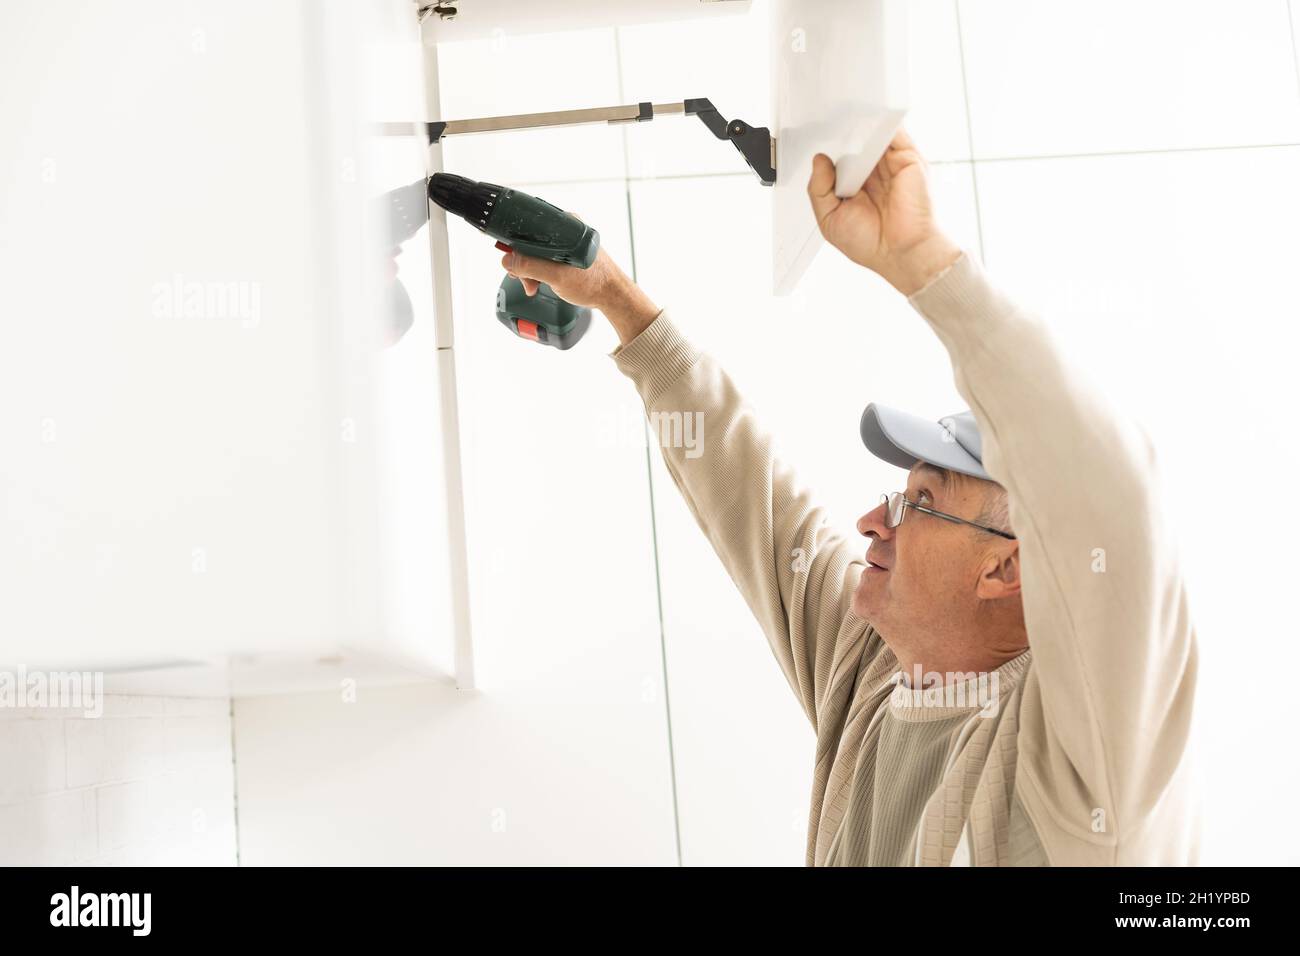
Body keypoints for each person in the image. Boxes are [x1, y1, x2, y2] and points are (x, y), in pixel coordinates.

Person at [499, 128, 1199, 866]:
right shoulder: (873, 669)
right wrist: (616, 298)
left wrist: (929, 266)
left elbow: (1116, 502)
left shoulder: (1087, 751)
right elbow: (754, 498)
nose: (872, 522)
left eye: (919, 503)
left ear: (1006, 568)